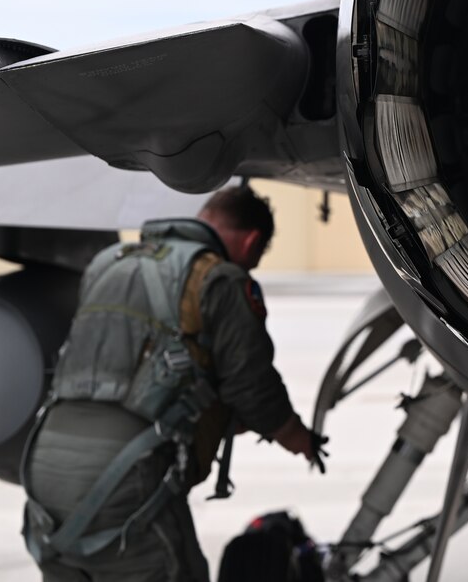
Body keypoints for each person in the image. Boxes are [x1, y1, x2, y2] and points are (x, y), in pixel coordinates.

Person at [21, 186, 319, 582]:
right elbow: (252, 387)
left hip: (45, 468)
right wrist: (299, 438)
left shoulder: (109, 263)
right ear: (251, 242)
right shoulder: (219, 278)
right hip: (126, 476)